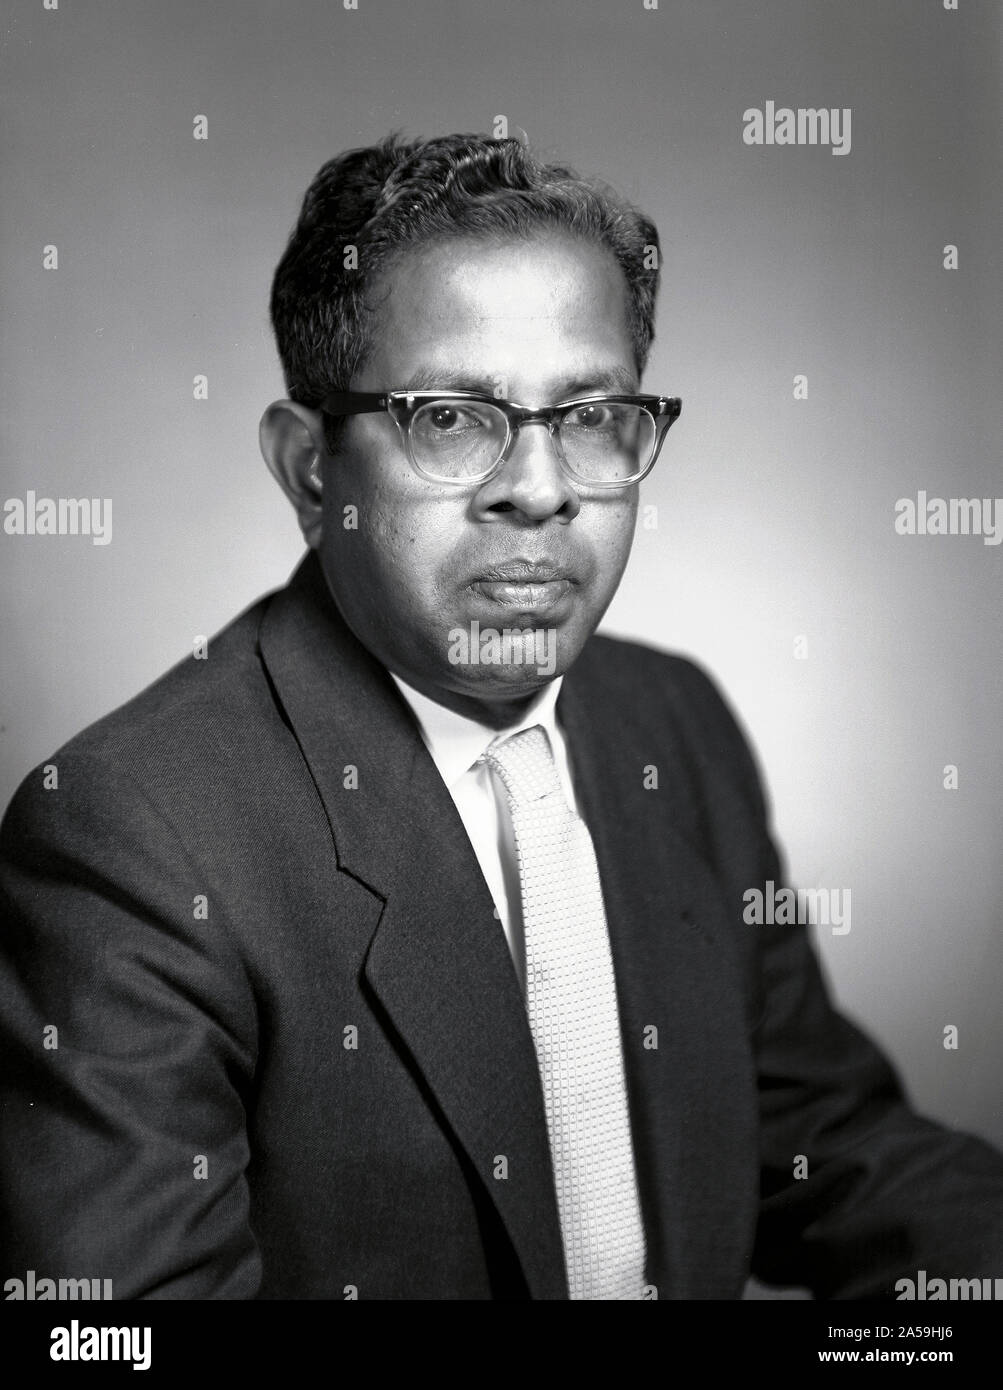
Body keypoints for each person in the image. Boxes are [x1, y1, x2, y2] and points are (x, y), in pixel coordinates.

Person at [1, 132, 1001, 1302]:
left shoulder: (667, 722)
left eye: (590, 414)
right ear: (309, 468)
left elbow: (814, 1138)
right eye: (449, 417)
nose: (540, 485)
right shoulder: (131, 835)